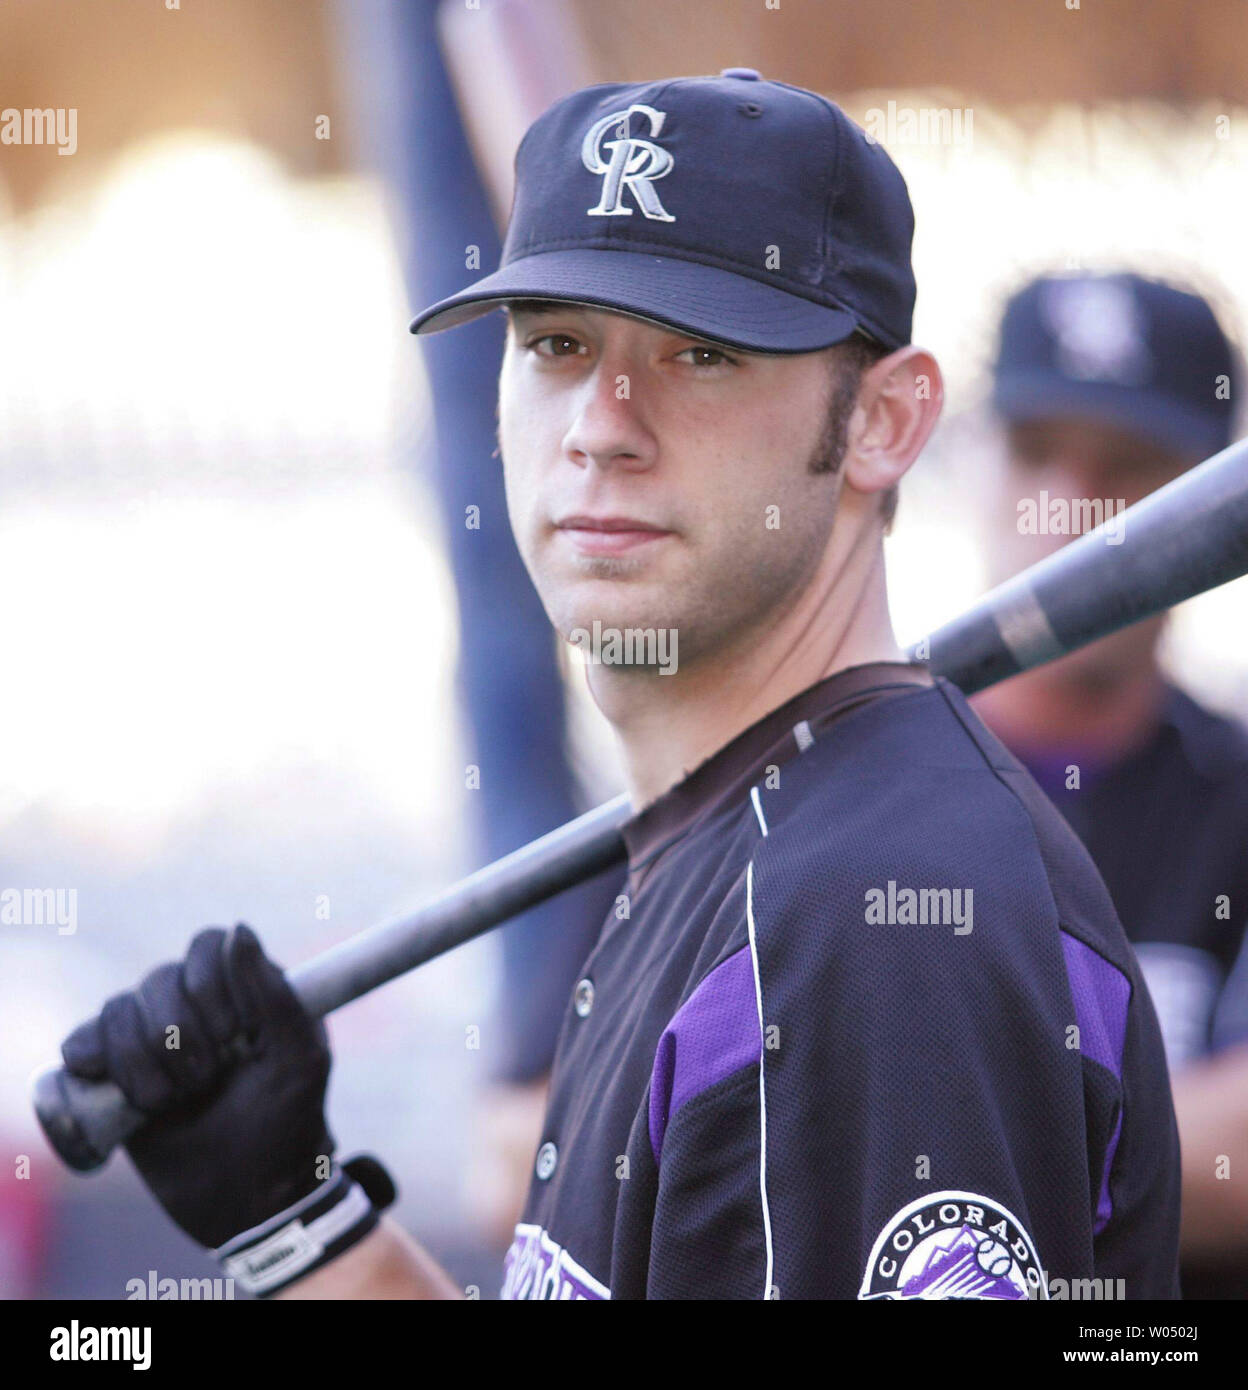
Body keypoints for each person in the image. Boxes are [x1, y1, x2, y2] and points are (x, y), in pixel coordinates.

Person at [58, 70, 1180, 1300]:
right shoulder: (723, 844)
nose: (602, 422)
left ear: (883, 422)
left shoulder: (879, 924)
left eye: (701, 352)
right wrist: (299, 1223)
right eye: (557, 343)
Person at [971, 270, 1248, 1298]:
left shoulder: (1235, 794)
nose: (1071, 506)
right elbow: (529, 1145)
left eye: (1128, 469)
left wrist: (896, 1137)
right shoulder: (832, 764)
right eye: (1038, 453)